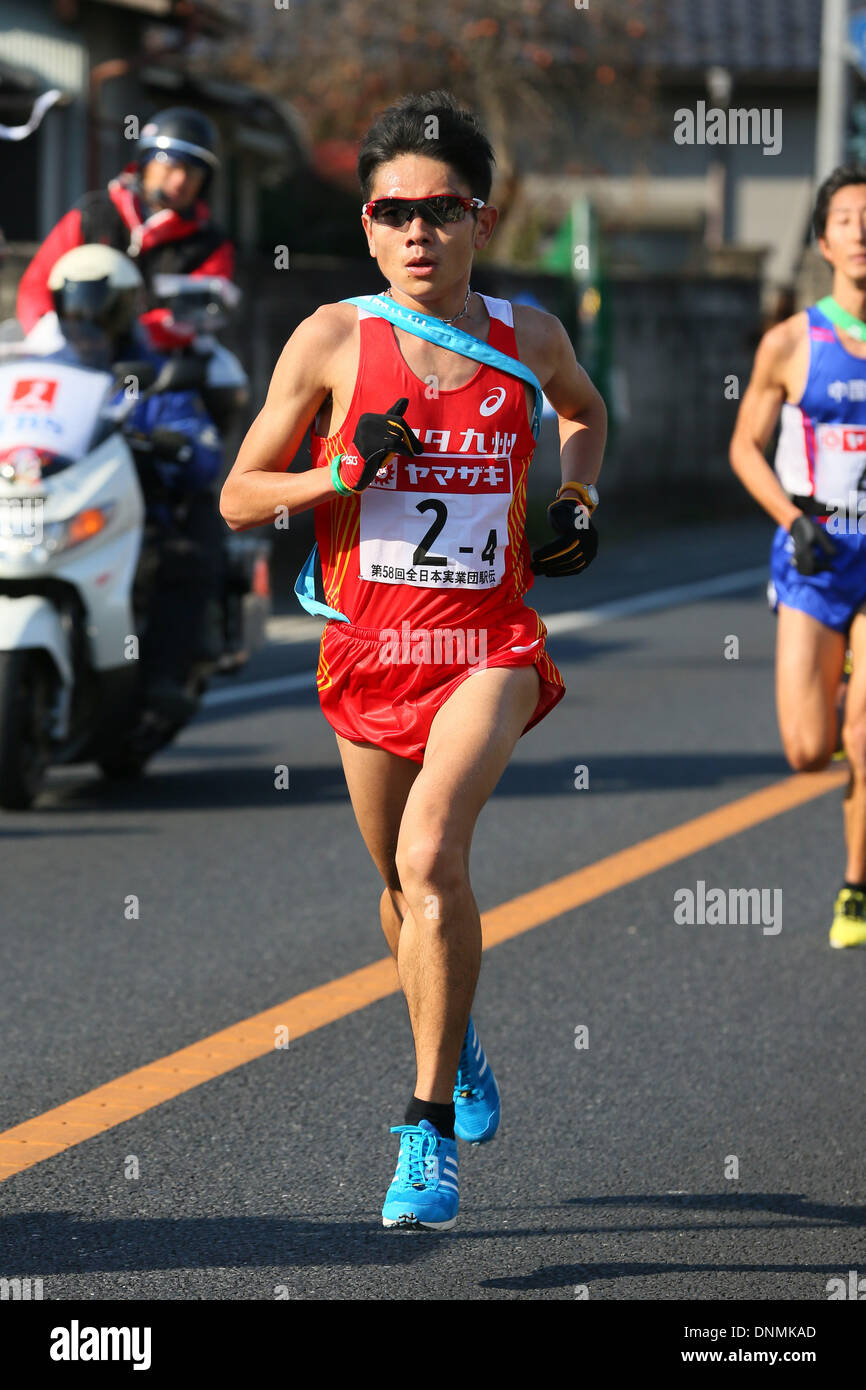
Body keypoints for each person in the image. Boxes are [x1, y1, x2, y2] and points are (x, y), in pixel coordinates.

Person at [220, 90, 607, 1229]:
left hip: (484, 643)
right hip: (367, 649)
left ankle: (423, 1130)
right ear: (368, 222)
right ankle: (460, 1027)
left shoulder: (526, 336)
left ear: (479, 218)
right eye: (393, 210)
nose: (416, 232)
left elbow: (582, 411)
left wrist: (576, 494)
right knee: (397, 887)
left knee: (434, 854)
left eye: (440, 209)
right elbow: (242, 494)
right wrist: (336, 476)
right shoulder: (332, 339)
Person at [730, 163, 866, 949]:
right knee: (809, 750)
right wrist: (791, 518)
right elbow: (745, 447)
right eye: (847, 217)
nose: (862, 230)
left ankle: (856, 887)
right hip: (813, 554)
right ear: (823, 240)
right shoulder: (791, 343)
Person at [43, 243, 225, 718]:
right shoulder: (47, 372)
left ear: (125, 308)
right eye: (75, 305)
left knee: (177, 560)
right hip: (53, 511)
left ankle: (163, 674)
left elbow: (201, 450)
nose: (86, 318)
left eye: (97, 305)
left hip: (135, 515)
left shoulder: (157, 373)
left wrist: (171, 444)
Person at [16, 106, 234, 349]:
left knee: (222, 373)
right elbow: (37, 283)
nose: (180, 180)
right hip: (76, 352)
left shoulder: (209, 244)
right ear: (145, 162)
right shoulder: (94, 215)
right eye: (170, 164)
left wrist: (129, 336)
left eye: (193, 171)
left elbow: (195, 313)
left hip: (162, 367)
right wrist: (49, 334)